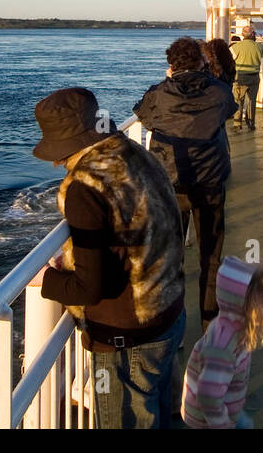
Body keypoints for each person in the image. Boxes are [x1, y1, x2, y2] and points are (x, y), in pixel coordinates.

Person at [32, 86, 186, 429]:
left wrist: (48, 279)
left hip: (127, 338)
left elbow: (90, 288)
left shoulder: (85, 187)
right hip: (169, 314)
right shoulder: (135, 153)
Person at [134, 38, 237, 328]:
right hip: (209, 184)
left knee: (171, 256)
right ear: (202, 62)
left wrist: (164, 83)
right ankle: (209, 323)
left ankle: (173, 321)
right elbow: (229, 110)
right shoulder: (218, 92)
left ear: (171, 65)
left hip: (169, 185)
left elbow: (142, 114)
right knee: (211, 256)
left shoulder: (159, 94)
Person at [182, 257, 263, 429]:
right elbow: (208, 396)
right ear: (243, 305)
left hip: (225, 407)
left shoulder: (235, 326)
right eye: (262, 303)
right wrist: (224, 425)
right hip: (207, 421)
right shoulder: (223, 346)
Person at [230, 25, 263, 130]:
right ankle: (251, 123)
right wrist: (260, 40)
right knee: (252, 101)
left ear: (242, 34)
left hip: (240, 77)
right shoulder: (259, 47)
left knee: (238, 100)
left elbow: (230, 58)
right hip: (254, 77)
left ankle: (237, 124)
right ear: (253, 34)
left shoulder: (236, 47)